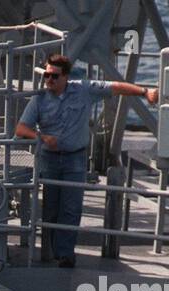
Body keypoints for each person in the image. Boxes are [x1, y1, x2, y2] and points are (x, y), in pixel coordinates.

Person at [14, 54, 158, 268]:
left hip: (74, 159)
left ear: (66, 77)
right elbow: (21, 128)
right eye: (46, 75)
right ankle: (49, 252)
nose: (49, 80)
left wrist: (145, 92)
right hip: (50, 160)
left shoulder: (83, 90)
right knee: (51, 208)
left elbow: (115, 87)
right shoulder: (39, 99)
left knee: (71, 208)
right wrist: (41, 137)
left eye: (54, 76)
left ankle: (65, 255)